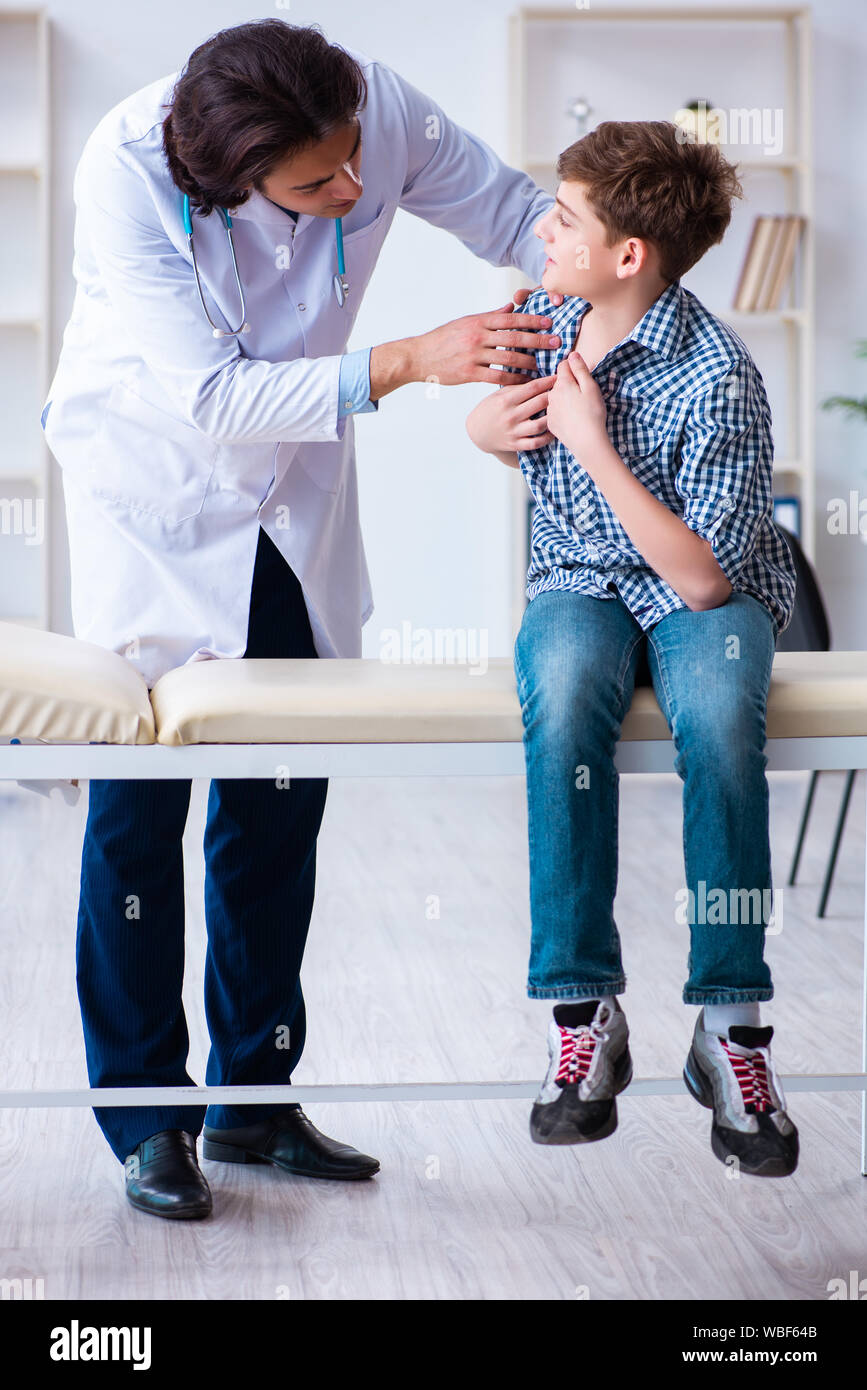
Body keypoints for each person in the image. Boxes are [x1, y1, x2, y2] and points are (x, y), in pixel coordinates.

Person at [41, 18, 561, 1219]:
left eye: (352, 159)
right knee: (137, 807)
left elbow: (520, 215)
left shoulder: (369, 109)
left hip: (296, 487)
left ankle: (254, 1105)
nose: (356, 187)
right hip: (157, 488)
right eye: (318, 183)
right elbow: (215, 397)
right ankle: (144, 1122)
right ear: (226, 178)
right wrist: (413, 360)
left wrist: (619, 270)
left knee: (283, 792)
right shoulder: (127, 171)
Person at [466, 120, 800, 1178]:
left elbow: (703, 577)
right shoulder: (548, 315)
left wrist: (591, 444)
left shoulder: (718, 376)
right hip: (580, 584)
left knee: (717, 718)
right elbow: (483, 417)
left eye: (564, 218)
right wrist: (494, 429)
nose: (543, 230)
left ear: (628, 256)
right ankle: (583, 1012)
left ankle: (731, 1028)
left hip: (703, 586)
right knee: (561, 693)